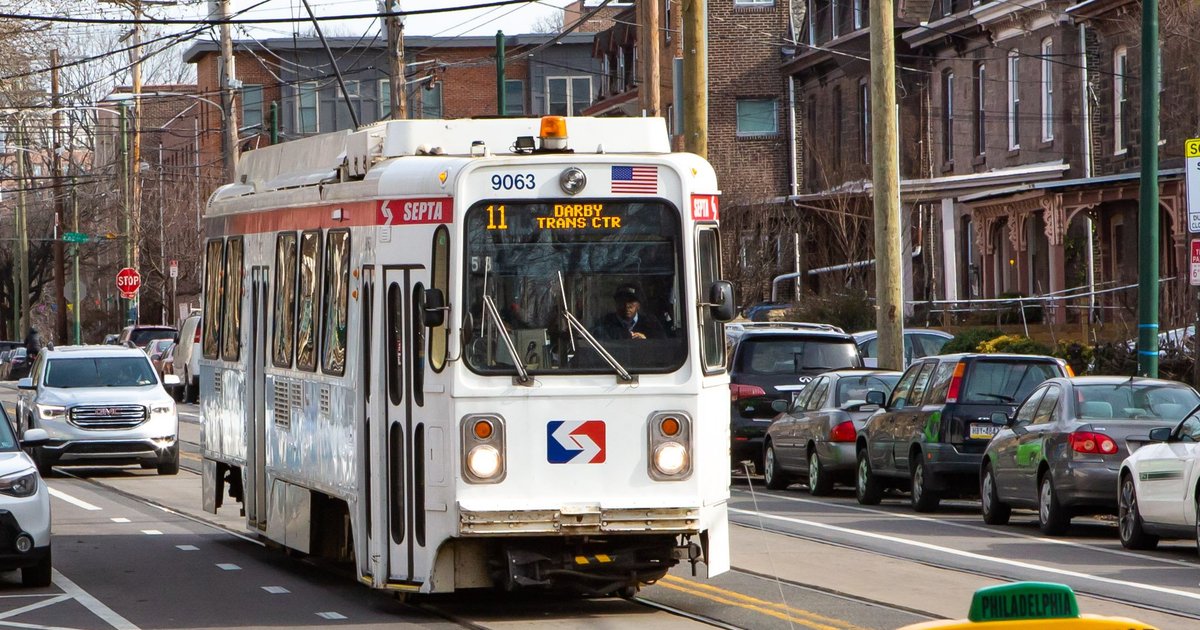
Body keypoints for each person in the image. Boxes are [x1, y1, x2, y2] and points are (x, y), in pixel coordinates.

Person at [593, 284, 664, 341]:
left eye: (631, 301)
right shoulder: (605, 323)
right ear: (616, 303)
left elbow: (663, 347)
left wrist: (646, 341)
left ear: (638, 305)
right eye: (622, 300)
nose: (627, 305)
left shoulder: (651, 324)